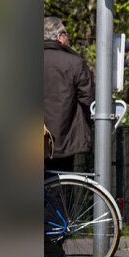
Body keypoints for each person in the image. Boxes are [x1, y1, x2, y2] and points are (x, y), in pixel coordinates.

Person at [44, 17, 94, 172]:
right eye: (66, 34)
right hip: (64, 139)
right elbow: (89, 99)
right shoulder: (74, 62)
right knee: (60, 188)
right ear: (59, 37)